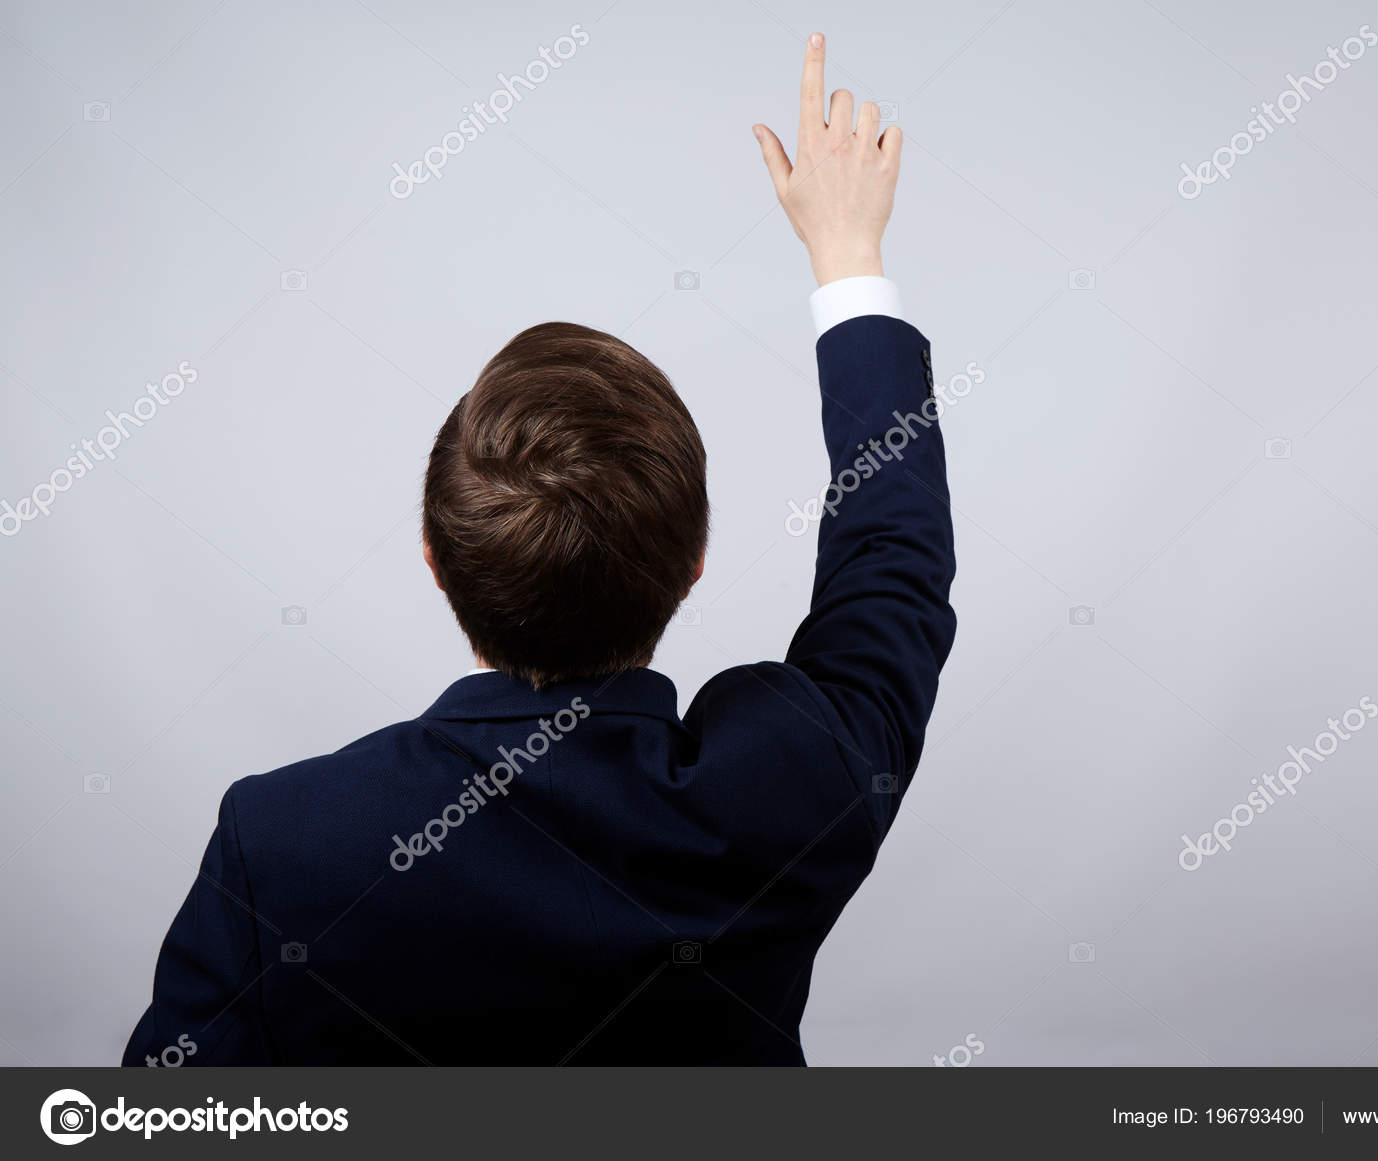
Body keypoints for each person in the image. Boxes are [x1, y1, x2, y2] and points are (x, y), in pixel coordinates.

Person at [123, 32, 955, 1066]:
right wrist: (848, 259)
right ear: (696, 560)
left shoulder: (286, 842)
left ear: (433, 553)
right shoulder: (792, 788)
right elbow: (895, 562)